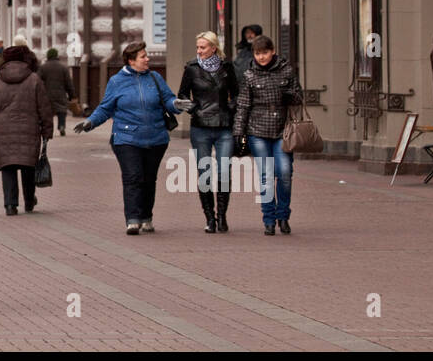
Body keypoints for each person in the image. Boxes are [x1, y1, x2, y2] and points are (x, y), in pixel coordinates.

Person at [74, 41, 177, 234]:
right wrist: (91, 122)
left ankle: (146, 217)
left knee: (148, 179)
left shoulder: (155, 78)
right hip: (126, 138)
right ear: (131, 61)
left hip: (156, 138)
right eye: (143, 56)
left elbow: (168, 99)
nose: (148, 59)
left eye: (146, 55)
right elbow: (106, 107)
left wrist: (177, 104)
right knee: (133, 177)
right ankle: (133, 219)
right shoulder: (116, 81)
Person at [233, 35, 303, 236]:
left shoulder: (286, 70)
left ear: (272, 51)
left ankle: (283, 215)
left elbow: (299, 97)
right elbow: (243, 105)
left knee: (285, 172)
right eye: (257, 53)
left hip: (283, 130)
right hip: (258, 131)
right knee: (266, 176)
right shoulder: (249, 74)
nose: (261, 57)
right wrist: (239, 131)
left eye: (265, 53)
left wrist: (289, 94)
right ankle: (269, 219)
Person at [177, 31, 239, 233]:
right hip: (200, 127)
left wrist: (229, 109)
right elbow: (183, 95)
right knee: (205, 173)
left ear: (214, 48)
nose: (199, 51)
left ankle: (222, 217)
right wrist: (195, 109)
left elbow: (237, 94)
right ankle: (209, 218)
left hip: (224, 127)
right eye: (198, 47)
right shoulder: (191, 68)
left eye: (203, 47)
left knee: (223, 172)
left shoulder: (227, 67)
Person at [0, 42, 52, 215]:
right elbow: (44, 108)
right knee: (28, 166)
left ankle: (10, 204)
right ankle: (29, 201)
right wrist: (47, 130)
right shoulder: (34, 79)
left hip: (3, 132)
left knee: (7, 167)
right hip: (29, 130)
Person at [38, 47, 76, 137]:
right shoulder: (63, 67)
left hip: (47, 94)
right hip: (61, 93)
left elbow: (37, 80)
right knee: (62, 111)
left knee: (48, 112)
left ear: (48, 56)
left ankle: (48, 129)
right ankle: (61, 126)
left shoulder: (43, 67)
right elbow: (68, 83)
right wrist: (72, 95)